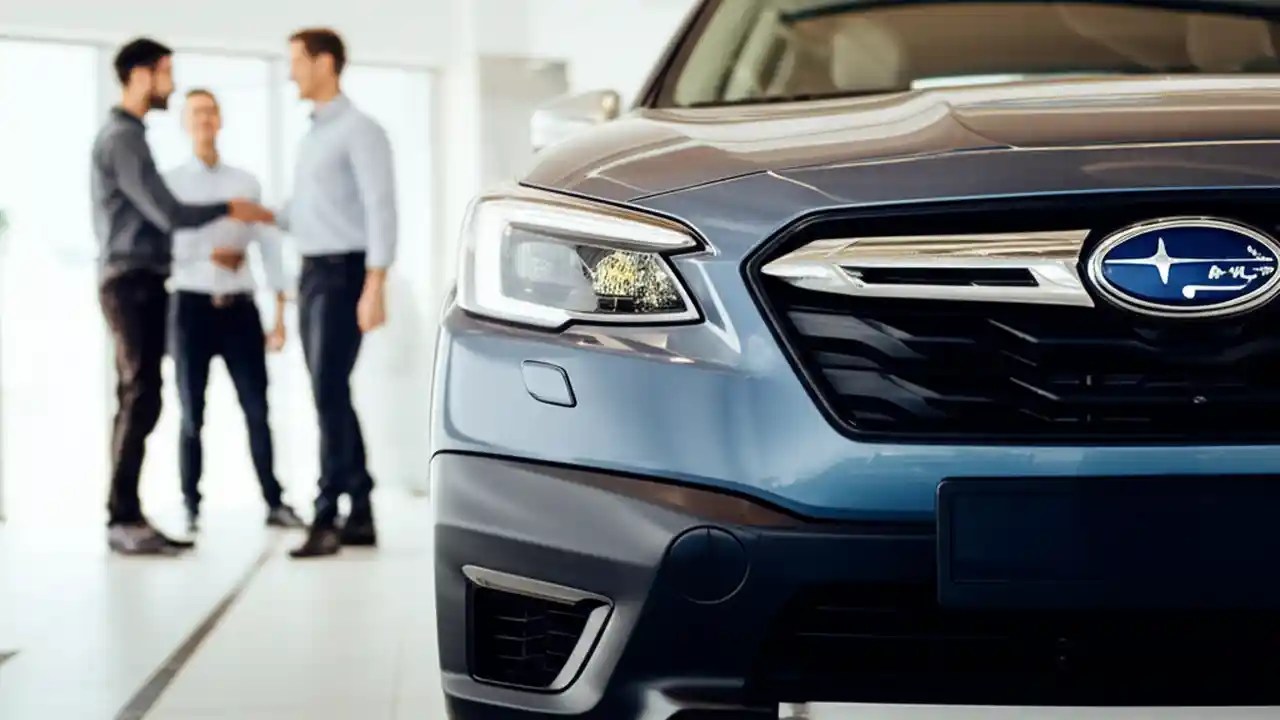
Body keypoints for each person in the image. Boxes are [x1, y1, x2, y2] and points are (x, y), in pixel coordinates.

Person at [91, 37, 273, 555]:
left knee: (140, 395)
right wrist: (230, 209)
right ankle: (122, 517)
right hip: (132, 281)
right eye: (166, 73)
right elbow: (167, 212)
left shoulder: (129, 136)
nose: (170, 84)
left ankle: (127, 513)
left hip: (142, 280)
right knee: (140, 395)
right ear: (142, 75)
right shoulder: (123, 138)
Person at [165, 89, 307, 534]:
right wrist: (210, 255)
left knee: (257, 408)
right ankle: (191, 505)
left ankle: (274, 502)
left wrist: (280, 314)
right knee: (191, 412)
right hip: (191, 307)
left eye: (211, 111)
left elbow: (268, 246)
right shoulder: (171, 185)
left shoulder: (246, 183)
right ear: (185, 123)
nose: (205, 119)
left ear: (221, 119)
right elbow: (166, 246)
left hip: (240, 309)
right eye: (196, 113)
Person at [279, 28, 397, 558]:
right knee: (330, 393)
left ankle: (326, 514)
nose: (291, 72)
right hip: (311, 274)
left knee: (328, 392)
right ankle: (362, 510)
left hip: (344, 274)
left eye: (297, 61)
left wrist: (376, 284)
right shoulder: (312, 137)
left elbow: (381, 208)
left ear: (324, 63)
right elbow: (306, 212)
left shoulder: (360, 130)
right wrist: (258, 215)